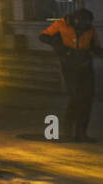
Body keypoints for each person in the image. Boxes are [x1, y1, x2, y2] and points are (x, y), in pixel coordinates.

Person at [40, 8, 102, 142]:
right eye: (84, 22)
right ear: (76, 20)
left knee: (87, 99)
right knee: (77, 97)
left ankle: (80, 133)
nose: (86, 25)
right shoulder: (61, 25)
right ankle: (70, 129)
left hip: (85, 65)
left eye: (88, 23)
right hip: (69, 65)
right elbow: (43, 36)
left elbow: (95, 47)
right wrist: (61, 48)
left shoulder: (90, 29)